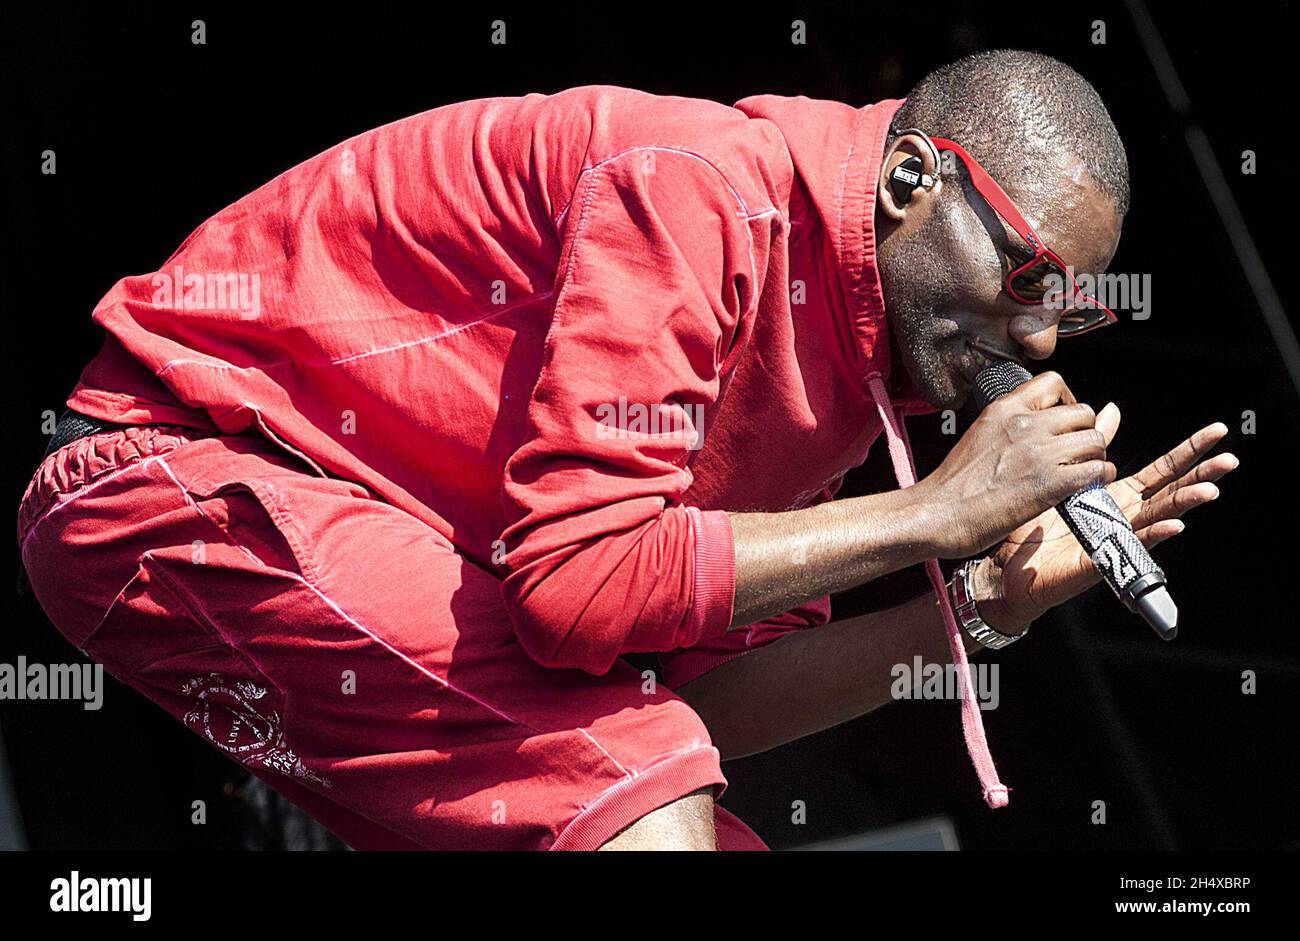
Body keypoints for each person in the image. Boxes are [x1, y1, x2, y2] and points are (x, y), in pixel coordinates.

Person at [18, 50, 1236, 850]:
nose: (1034, 332)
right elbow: (573, 588)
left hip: (331, 544)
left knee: (691, 806)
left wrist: (977, 602)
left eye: (1070, 309)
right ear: (914, 176)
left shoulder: (856, 395)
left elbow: (699, 700)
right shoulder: (703, 191)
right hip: (168, 475)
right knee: (636, 787)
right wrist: (940, 516)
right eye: (1027, 276)